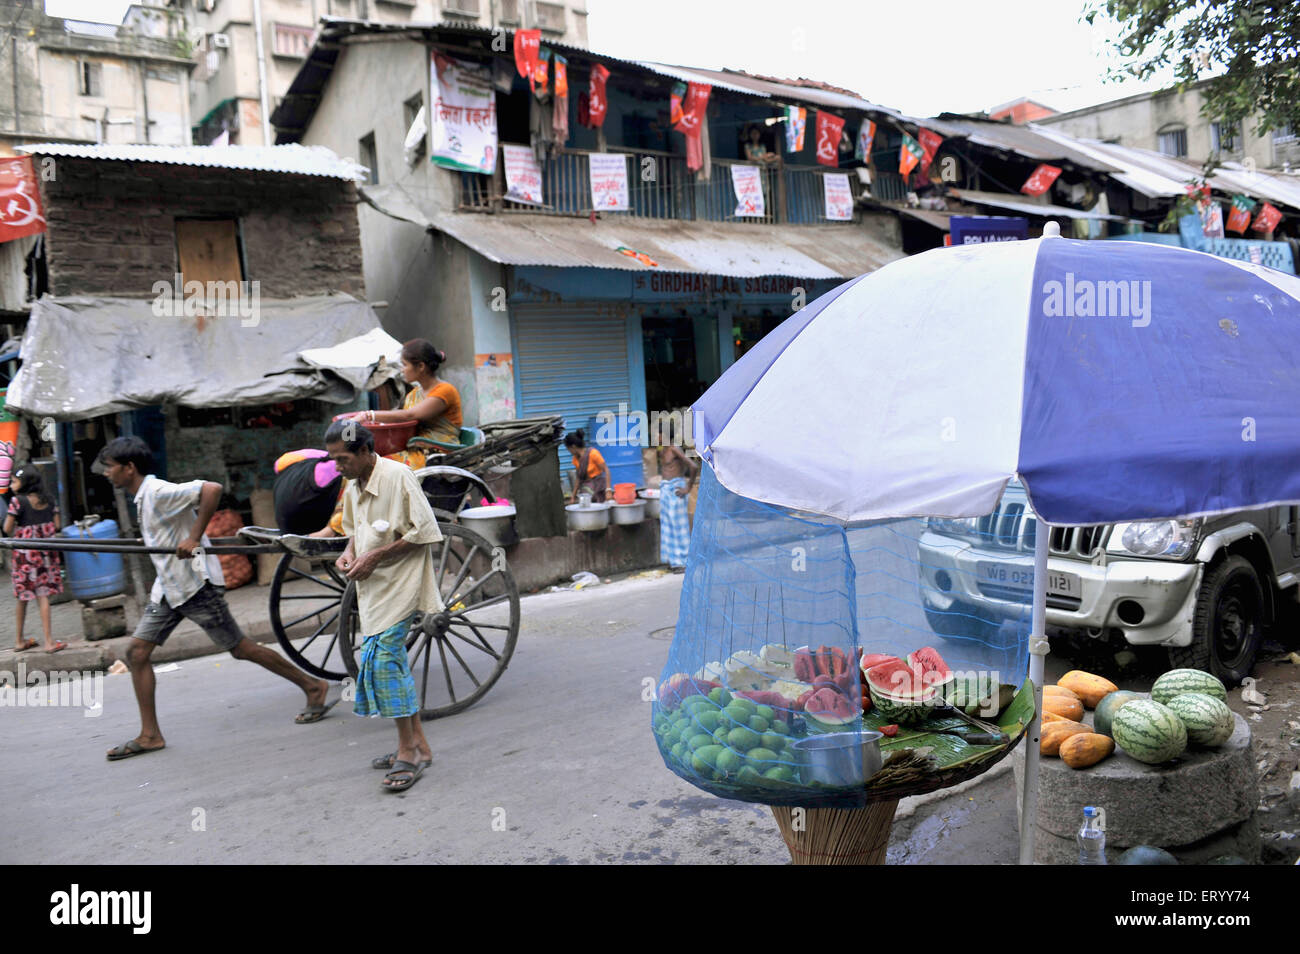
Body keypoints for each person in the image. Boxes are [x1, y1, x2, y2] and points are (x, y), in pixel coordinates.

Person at [97, 437, 334, 761]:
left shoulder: (158, 491)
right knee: (137, 652)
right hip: (169, 588)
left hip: (194, 586)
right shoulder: (143, 498)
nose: (107, 473)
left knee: (239, 648)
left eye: (109, 467)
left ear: (129, 468)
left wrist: (194, 537)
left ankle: (312, 686)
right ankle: (150, 735)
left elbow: (212, 488)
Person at [325, 421, 444, 792]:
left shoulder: (399, 476)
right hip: (373, 591)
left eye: (343, 459)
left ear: (364, 451)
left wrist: (377, 555)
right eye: (333, 460)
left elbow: (424, 532)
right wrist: (350, 554)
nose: (337, 467)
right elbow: (353, 533)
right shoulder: (352, 484)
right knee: (383, 663)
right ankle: (419, 746)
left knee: (385, 664)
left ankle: (407, 751)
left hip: (403, 585)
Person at [341, 339, 462, 470]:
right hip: (417, 447)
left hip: (437, 453)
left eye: (404, 365)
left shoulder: (444, 391)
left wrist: (367, 416)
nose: (402, 370)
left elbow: (409, 415)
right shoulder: (413, 394)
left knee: (379, 468)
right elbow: (404, 425)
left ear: (421, 367)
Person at [4, 468, 67, 653]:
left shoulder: (17, 502)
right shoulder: (50, 500)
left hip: (25, 557)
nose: (11, 485)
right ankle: (49, 641)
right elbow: (56, 525)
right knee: (43, 595)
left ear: (25, 483)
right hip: (46, 556)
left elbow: (7, 529)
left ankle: (19, 640)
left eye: (14, 481)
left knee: (22, 598)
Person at [657, 439, 697, 572]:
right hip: (666, 489)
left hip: (676, 489)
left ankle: (684, 561)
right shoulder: (663, 450)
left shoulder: (674, 449)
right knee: (668, 526)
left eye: (659, 434)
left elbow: (693, 466)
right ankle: (674, 560)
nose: (657, 437)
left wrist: (688, 488)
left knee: (679, 527)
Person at [565, 430, 609, 503]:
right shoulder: (575, 459)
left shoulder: (593, 454)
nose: (569, 451)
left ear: (573, 447)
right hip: (586, 488)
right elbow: (578, 478)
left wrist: (608, 490)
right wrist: (573, 496)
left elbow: (606, 470)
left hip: (598, 487)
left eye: (568, 449)